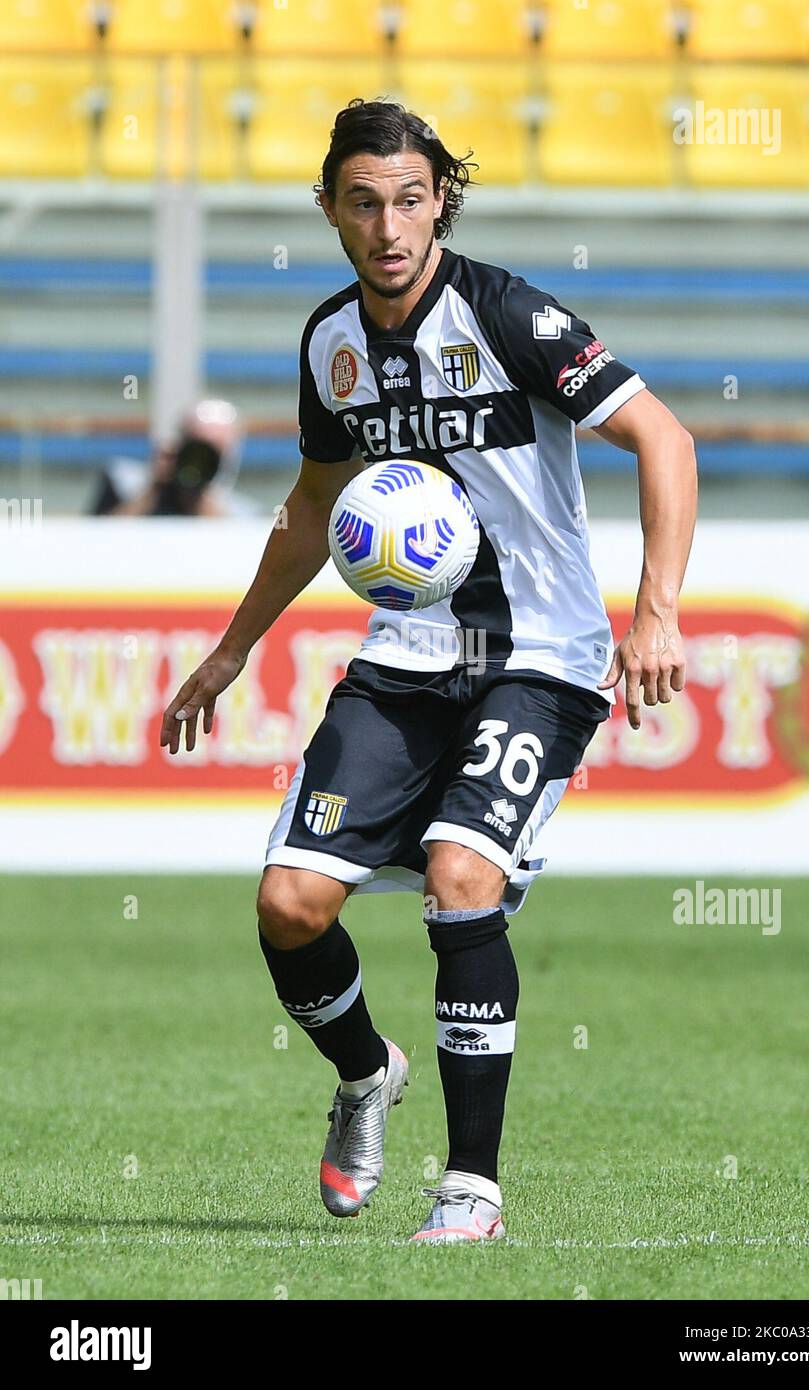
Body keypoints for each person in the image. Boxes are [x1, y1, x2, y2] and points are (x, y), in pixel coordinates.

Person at [159, 99, 697, 1245]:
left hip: (540, 658)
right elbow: (310, 509)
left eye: (410, 198)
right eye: (364, 202)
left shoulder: (509, 314)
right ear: (331, 212)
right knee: (289, 906)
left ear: (440, 198)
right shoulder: (329, 344)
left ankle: (472, 1190)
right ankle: (365, 1075)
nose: (389, 225)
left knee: (463, 874)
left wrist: (655, 615)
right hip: (402, 662)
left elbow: (666, 437)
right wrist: (232, 645)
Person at [89, 398, 256, 517]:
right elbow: (100, 540)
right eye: (195, 446)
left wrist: (200, 500)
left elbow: (231, 549)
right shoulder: (122, 482)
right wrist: (154, 488)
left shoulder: (243, 514)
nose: (200, 459)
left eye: (213, 450)